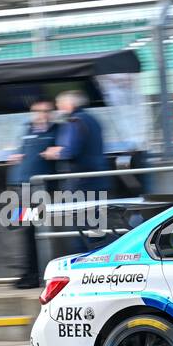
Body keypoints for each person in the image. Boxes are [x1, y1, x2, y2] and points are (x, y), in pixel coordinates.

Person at [43, 91, 108, 245]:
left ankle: (82, 265)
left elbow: (70, 151)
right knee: (96, 228)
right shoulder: (93, 119)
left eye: (59, 104)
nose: (57, 107)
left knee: (80, 228)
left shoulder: (74, 121)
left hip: (80, 182)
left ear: (69, 105)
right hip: (97, 178)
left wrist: (54, 152)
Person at [6, 99, 58, 289]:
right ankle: (28, 272)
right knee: (23, 230)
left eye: (45, 111)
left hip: (40, 189)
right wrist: (16, 156)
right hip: (21, 188)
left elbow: (60, 152)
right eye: (37, 111)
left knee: (35, 231)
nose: (41, 115)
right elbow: (21, 151)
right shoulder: (27, 130)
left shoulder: (55, 131)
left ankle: (34, 274)